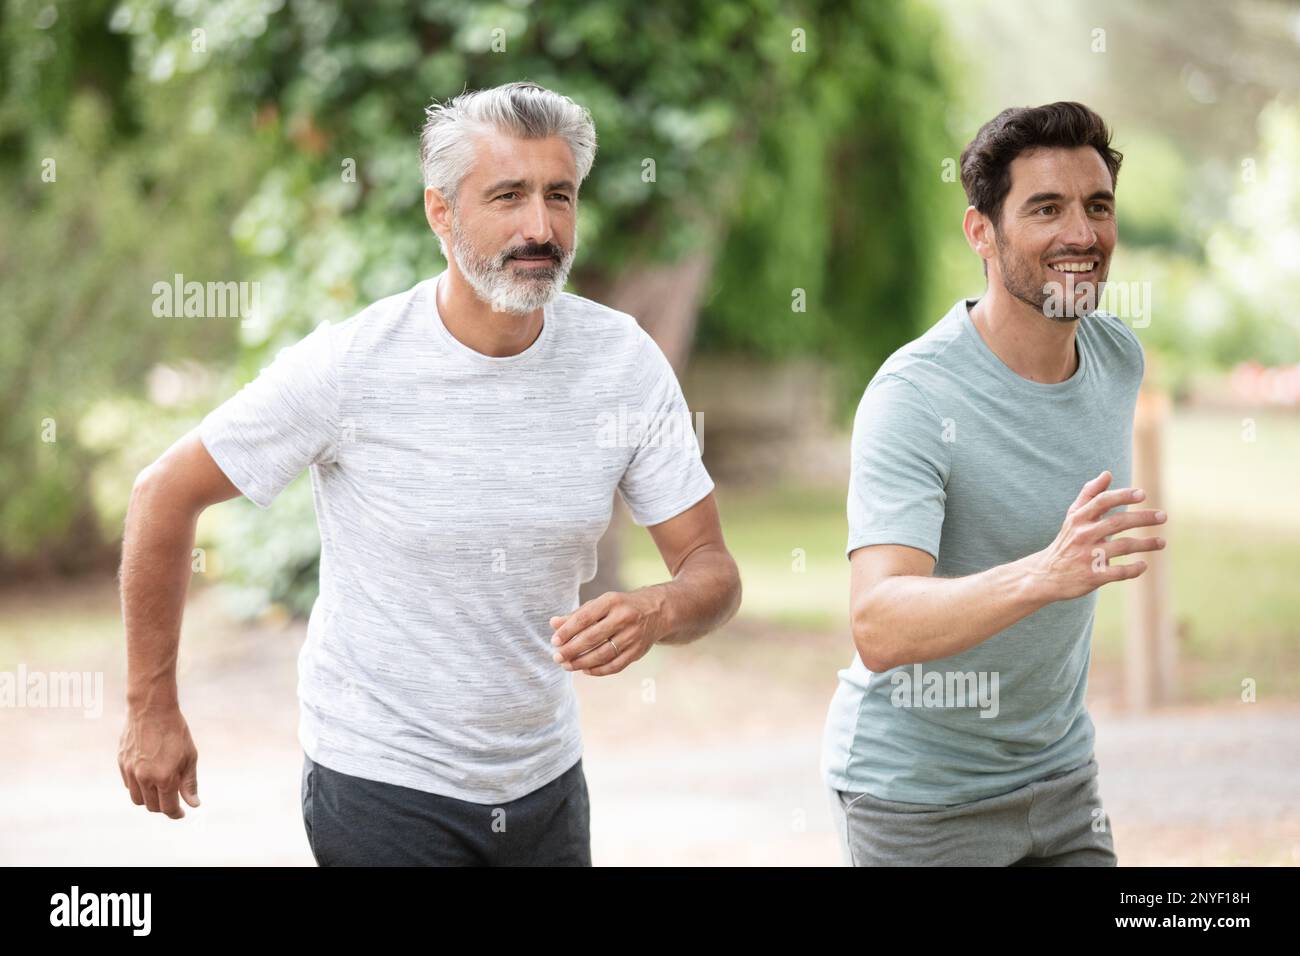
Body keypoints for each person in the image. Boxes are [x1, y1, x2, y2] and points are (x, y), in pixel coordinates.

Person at [117, 81, 742, 866]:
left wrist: (659, 609)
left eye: (560, 196)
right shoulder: (353, 365)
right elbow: (162, 494)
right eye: (508, 196)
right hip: (382, 782)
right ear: (441, 213)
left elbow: (710, 568)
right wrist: (151, 707)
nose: (541, 227)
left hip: (543, 784)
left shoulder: (622, 362)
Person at [822, 102, 1167, 866]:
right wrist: (1047, 572)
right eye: (1046, 208)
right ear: (982, 232)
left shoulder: (1116, 357)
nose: (1081, 234)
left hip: (1061, 779)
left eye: (1097, 206)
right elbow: (879, 624)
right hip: (919, 798)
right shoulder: (914, 395)